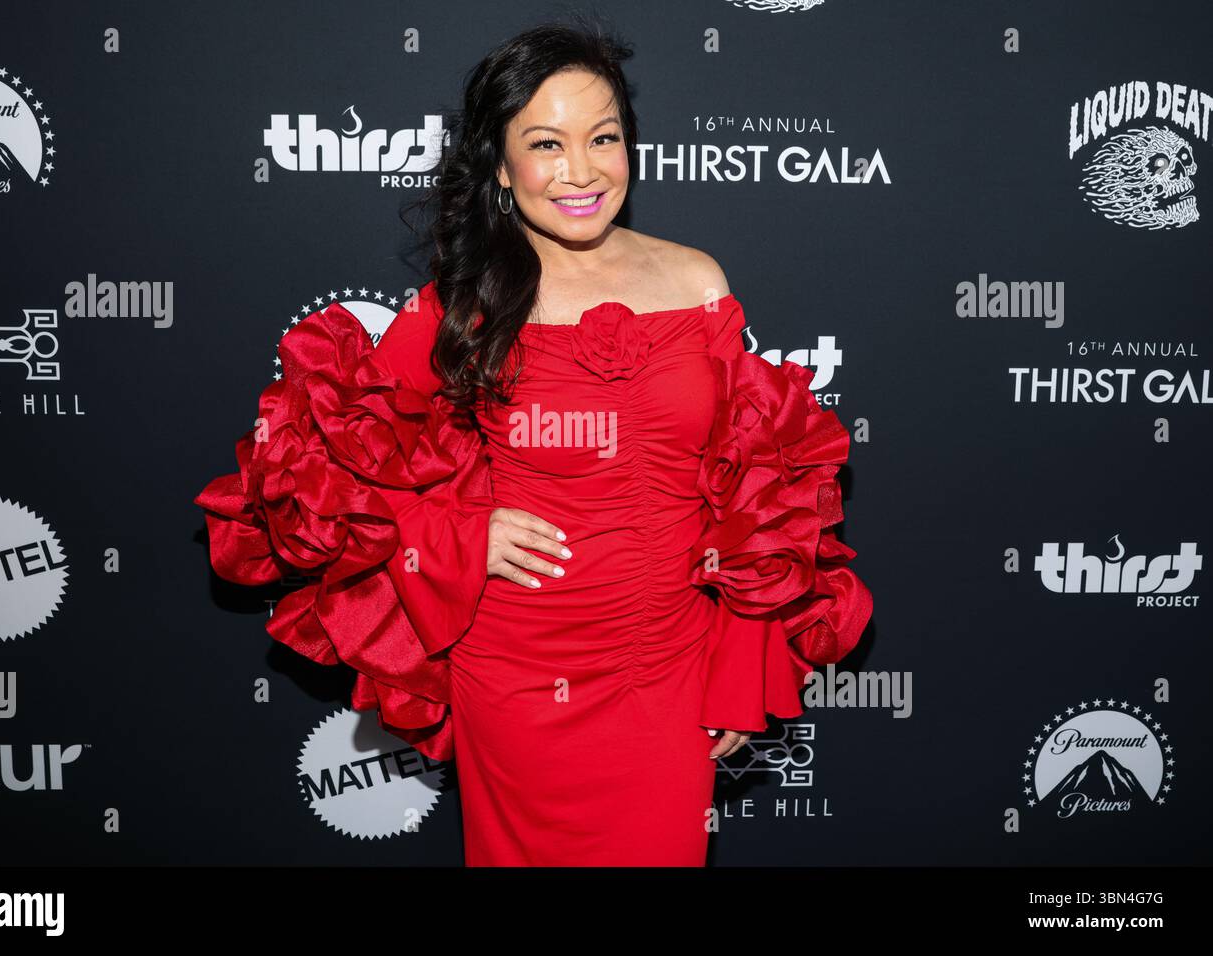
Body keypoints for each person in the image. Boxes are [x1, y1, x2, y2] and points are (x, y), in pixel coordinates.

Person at [194, 19, 872, 866]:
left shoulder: (698, 281)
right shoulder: (464, 303)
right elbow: (312, 466)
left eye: (605, 137)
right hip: (519, 676)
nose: (582, 171)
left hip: (669, 665)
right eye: (546, 143)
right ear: (502, 165)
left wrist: (740, 667)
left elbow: (757, 486)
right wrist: (449, 535)